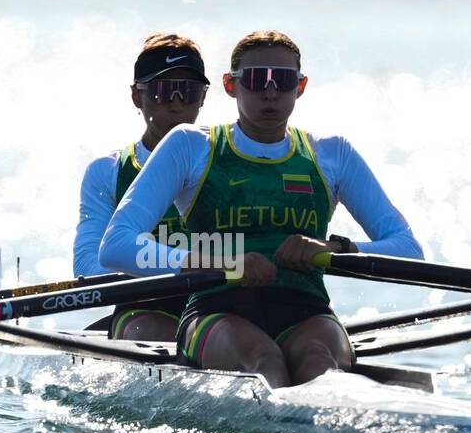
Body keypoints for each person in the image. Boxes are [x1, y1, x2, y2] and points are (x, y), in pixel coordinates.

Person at [98, 29, 423, 388]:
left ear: (300, 87)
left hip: (304, 309)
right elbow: (117, 246)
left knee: (319, 364)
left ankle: (331, 406)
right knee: (263, 361)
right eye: (255, 79)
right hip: (217, 308)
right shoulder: (189, 147)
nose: (270, 91)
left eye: (282, 80)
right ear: (230, 85)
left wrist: (333, 250)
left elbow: (409, 251)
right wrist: (221, 262)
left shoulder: (333, 154)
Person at [73, 32, 209, 340]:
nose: (176, 105)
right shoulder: (108, 172)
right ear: (137, 95)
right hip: (145, 309)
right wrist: (185, 266)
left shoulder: (227, 160)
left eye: (188, 92)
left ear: (203, 97)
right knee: (148, 327)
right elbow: (89, 268)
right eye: (163, 91)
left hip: (217, 305)